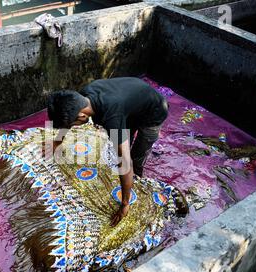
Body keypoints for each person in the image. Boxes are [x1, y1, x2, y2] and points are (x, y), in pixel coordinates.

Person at [47, 77, 169, 226]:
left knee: (135, 157)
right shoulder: (83, 97)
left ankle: (137, 181)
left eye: (74, 124)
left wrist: (125, 204)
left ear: (82, 116)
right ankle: (131, 177)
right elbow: (70, 117)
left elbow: (124, 165)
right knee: (124, 143)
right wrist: (57, 141)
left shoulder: (112, 118)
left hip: (154, 112)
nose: (74, 126)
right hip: (132, 106)